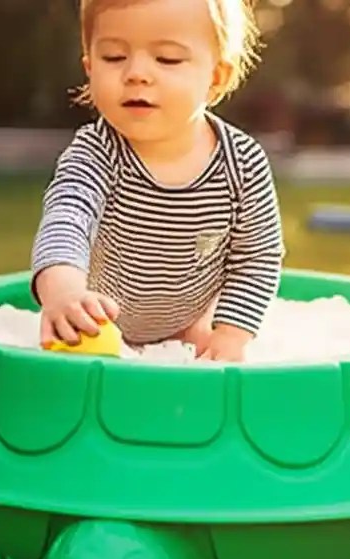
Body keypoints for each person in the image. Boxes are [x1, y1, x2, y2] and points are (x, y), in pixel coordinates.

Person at [30, 0, 285, 362]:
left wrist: (231, 334)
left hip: (191, 323)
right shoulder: (96, 151)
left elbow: (256, 257)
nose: (136, 73)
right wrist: (64, 292)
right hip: (103, 322)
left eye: (167, 59)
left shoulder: (242, 163)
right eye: (114, 57)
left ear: (216, 77)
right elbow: (67, 218)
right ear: (89, 68)